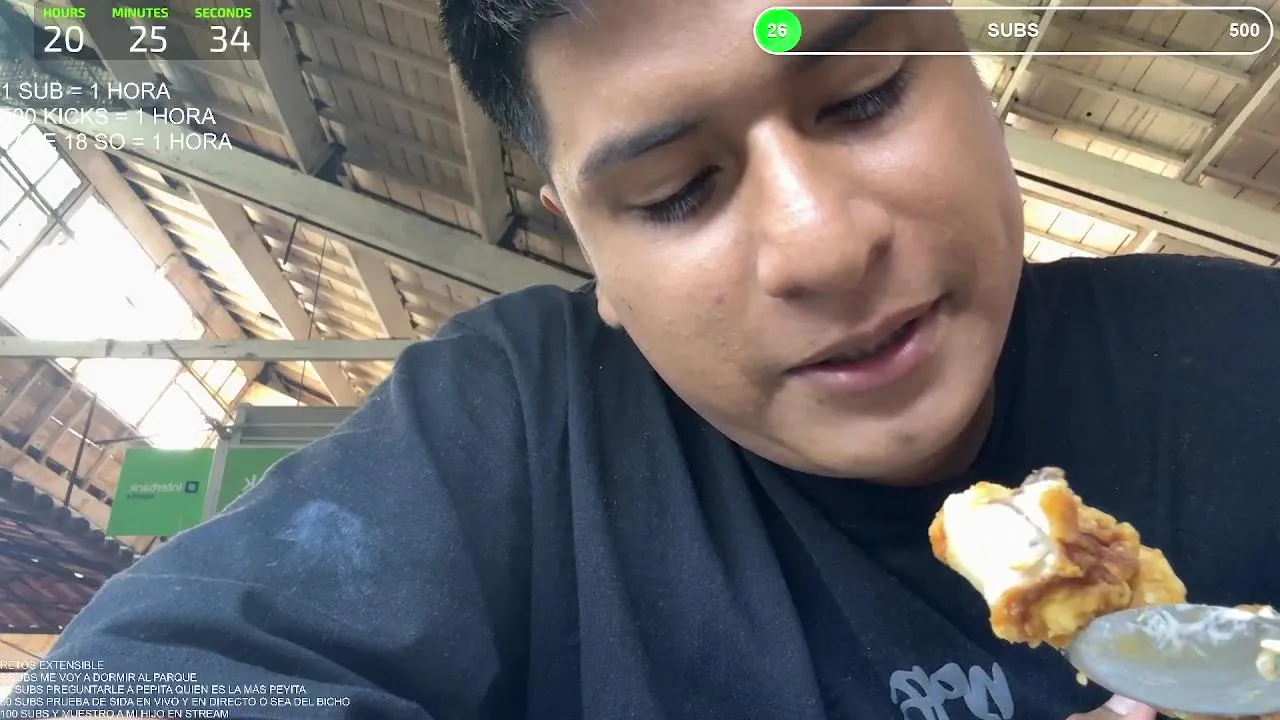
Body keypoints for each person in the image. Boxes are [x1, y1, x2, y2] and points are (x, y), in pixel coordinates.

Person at [8, 0, 1279, 718]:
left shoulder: (1238, 352)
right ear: (592, 259)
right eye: (677, 192)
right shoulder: (521, 426)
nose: (819, 244)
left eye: (862, 95)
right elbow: (118, 695)